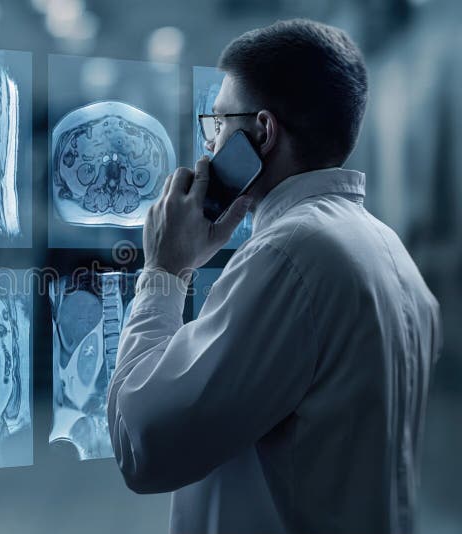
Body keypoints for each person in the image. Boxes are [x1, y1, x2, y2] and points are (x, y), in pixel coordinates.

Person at [107, 18, 442, 534]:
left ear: (262, 133)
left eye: (219, 125)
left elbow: (143, 445)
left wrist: (165, 270)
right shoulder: (386, 249)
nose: (210, 149)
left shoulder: (290, 256)